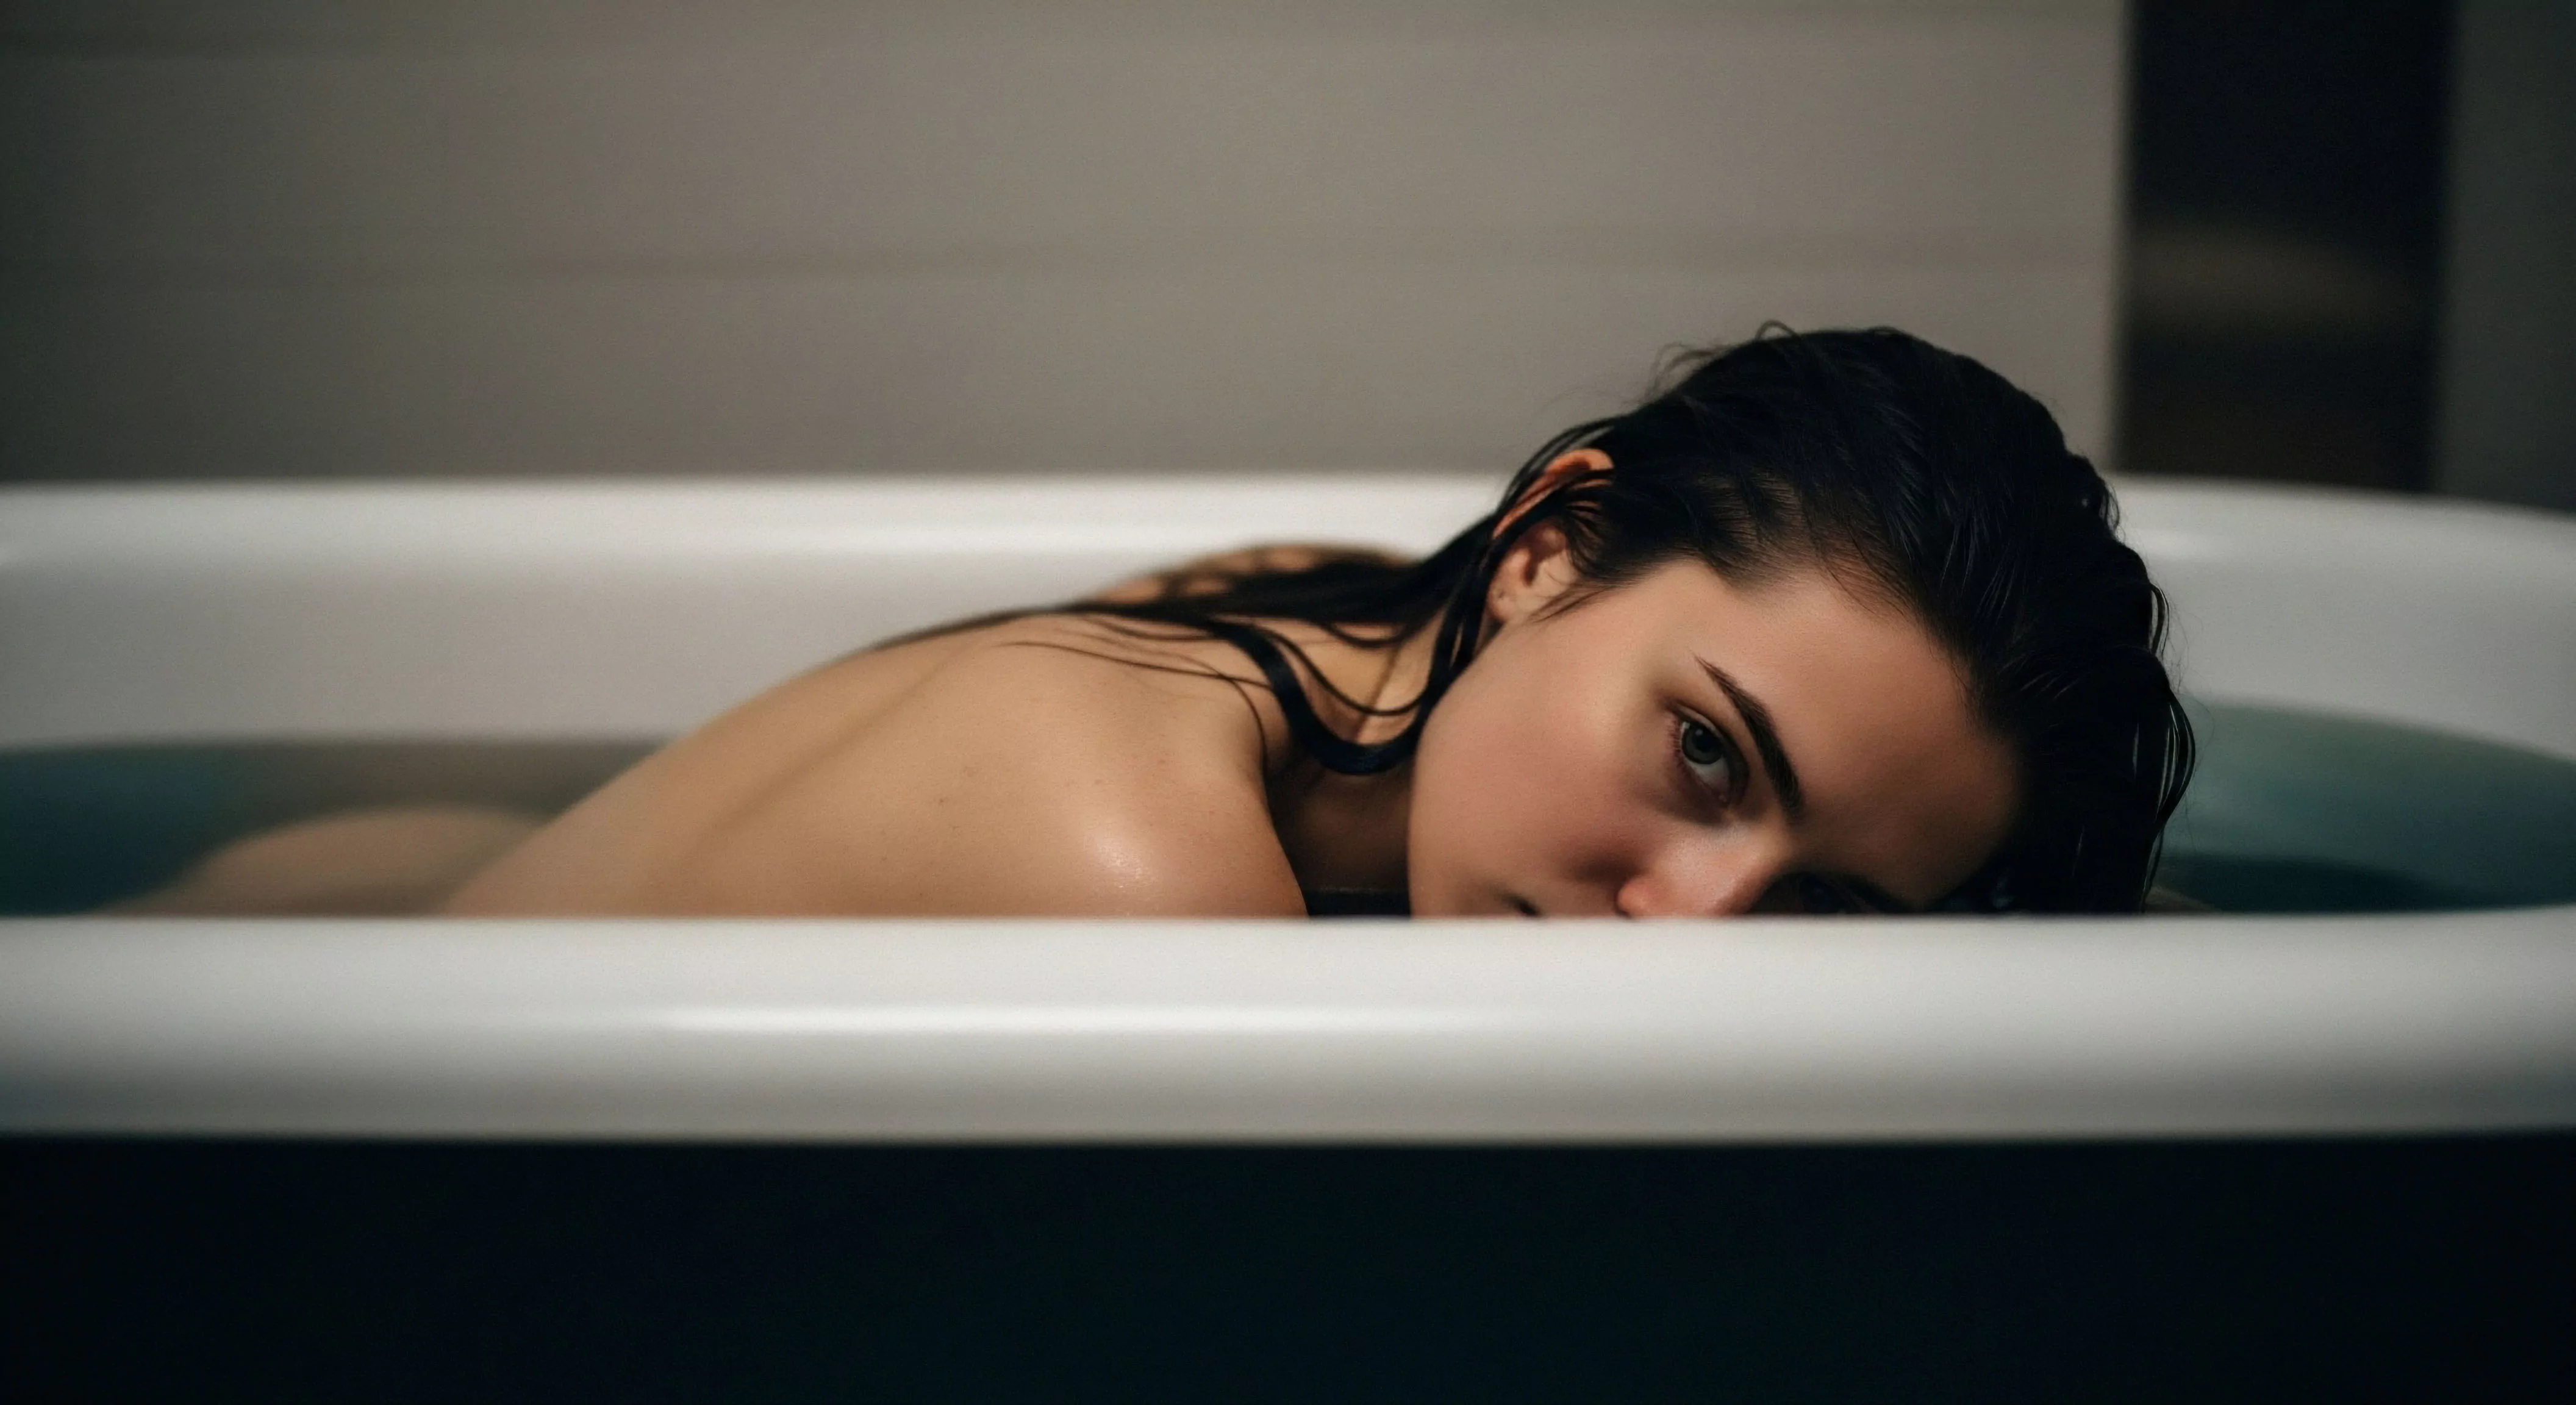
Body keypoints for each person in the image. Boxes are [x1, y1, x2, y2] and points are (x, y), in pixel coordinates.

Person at [138, 327, 2195, 919]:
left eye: (1821, 907)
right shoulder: (1150, 879)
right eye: (1707, 755)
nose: (1700, 931)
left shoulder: (1355, 632)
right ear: (1555, 545)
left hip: (365, 902)